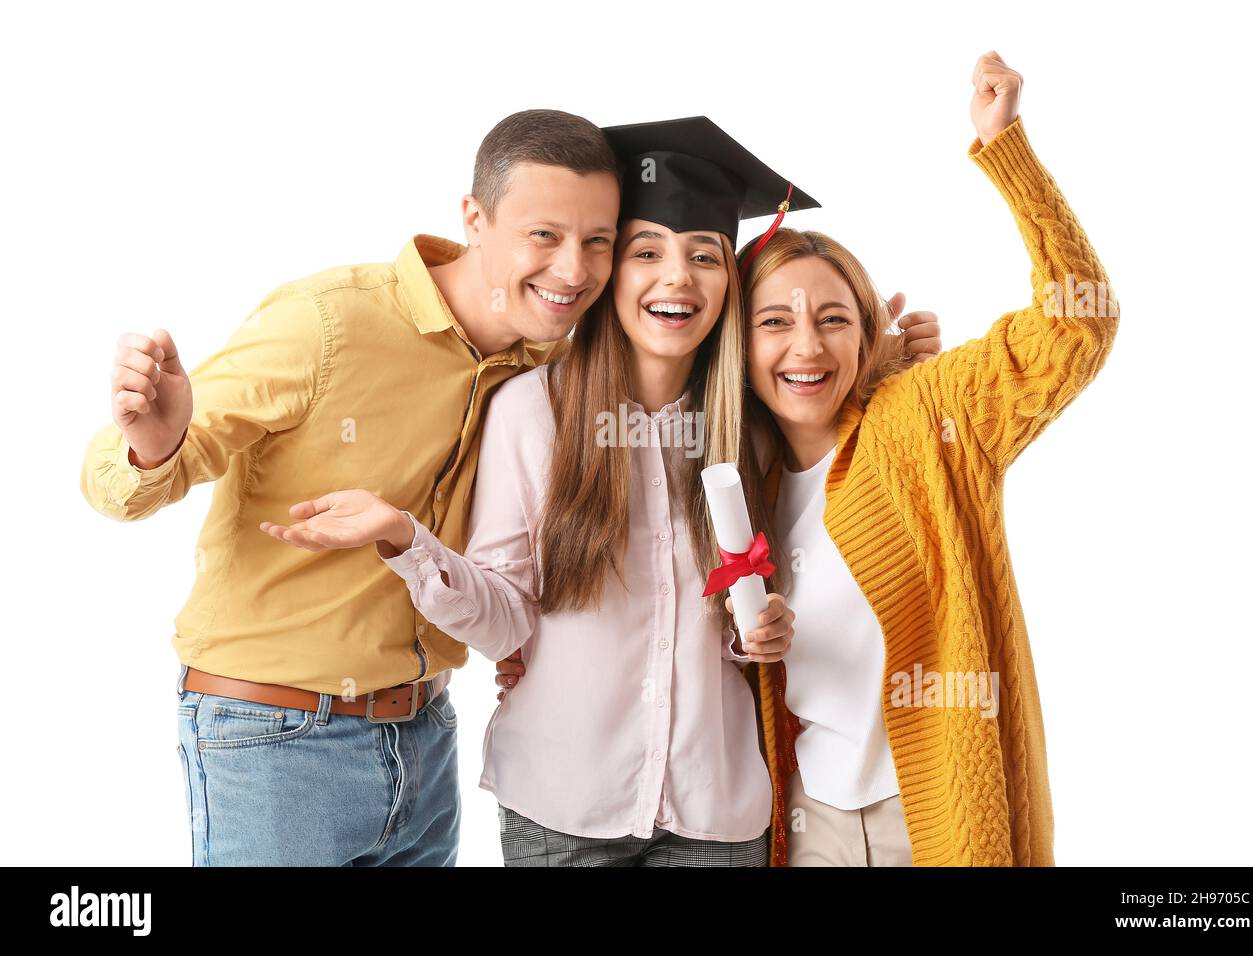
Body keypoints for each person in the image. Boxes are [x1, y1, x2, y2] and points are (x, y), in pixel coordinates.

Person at [261, 116, 944, 866]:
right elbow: (505, 620)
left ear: (729, 284)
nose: (677, 278)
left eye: (705, 256)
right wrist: (406, 541)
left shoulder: (753, 432)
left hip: (716, 811)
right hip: (562, 808)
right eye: (645, 251)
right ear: (610, 271)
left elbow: (826, 508)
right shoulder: (529, 412)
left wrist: (885, 377)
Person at [79, 109, 622, 866]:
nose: (574, 270)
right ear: (474, 218)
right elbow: (118, 487)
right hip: (275, 739)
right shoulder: (329, 323)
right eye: (545, 235)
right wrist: (154, 442)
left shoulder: (545, 371)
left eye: (598, 241)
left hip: (426, 738)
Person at [737, 51, 1118, 866]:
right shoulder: (738, 479)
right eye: (774, 322)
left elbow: (1076, 326)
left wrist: (1006, 149)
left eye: (833, 318)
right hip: (804, 820)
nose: (806, 346)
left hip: (933, 811)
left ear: (872, 329)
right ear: (737, 344)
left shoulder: (926, 419)